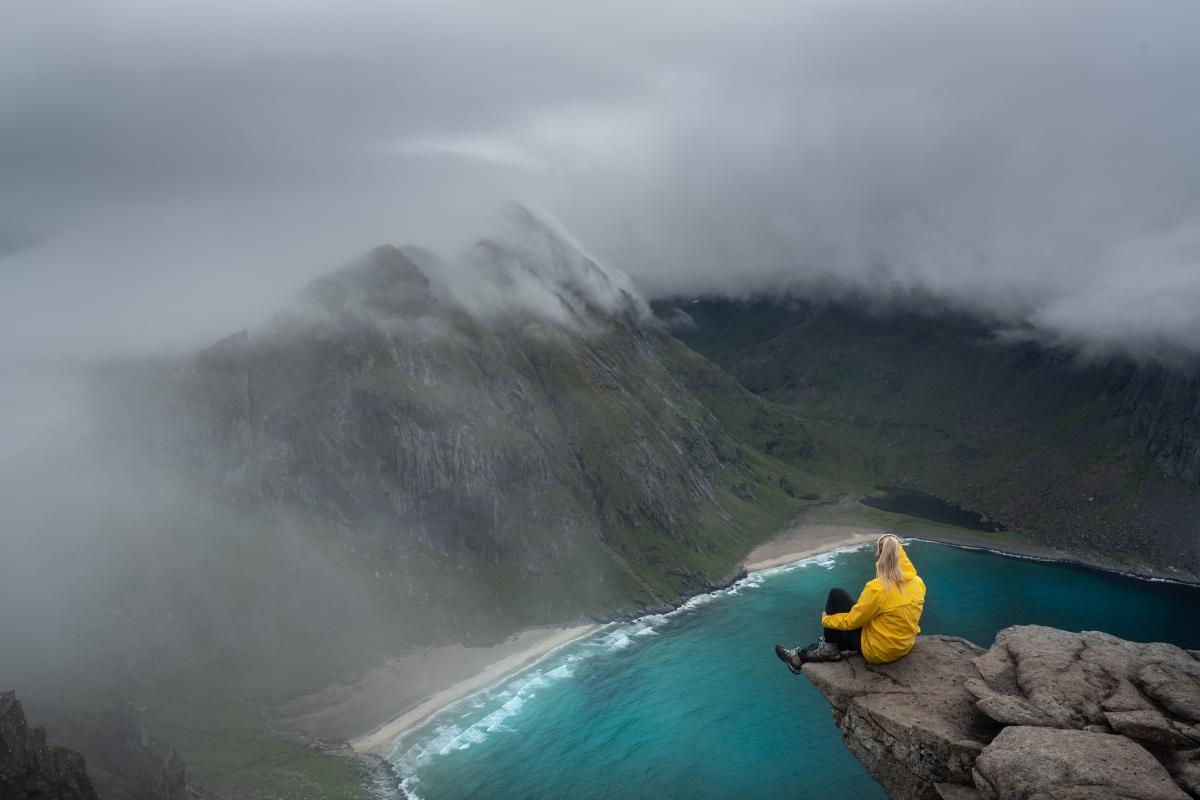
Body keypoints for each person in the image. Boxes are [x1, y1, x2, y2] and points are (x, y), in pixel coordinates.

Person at [774, 534, 925, 672]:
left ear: (880, 557)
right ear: (902, 556)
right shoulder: (918, 583)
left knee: (836, 594)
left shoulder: (877, 588)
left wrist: (827, 620)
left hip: (878, 652)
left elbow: (852, 622)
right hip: (903, 646)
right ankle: (799, 656)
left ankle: (826, 649)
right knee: (841, 640)